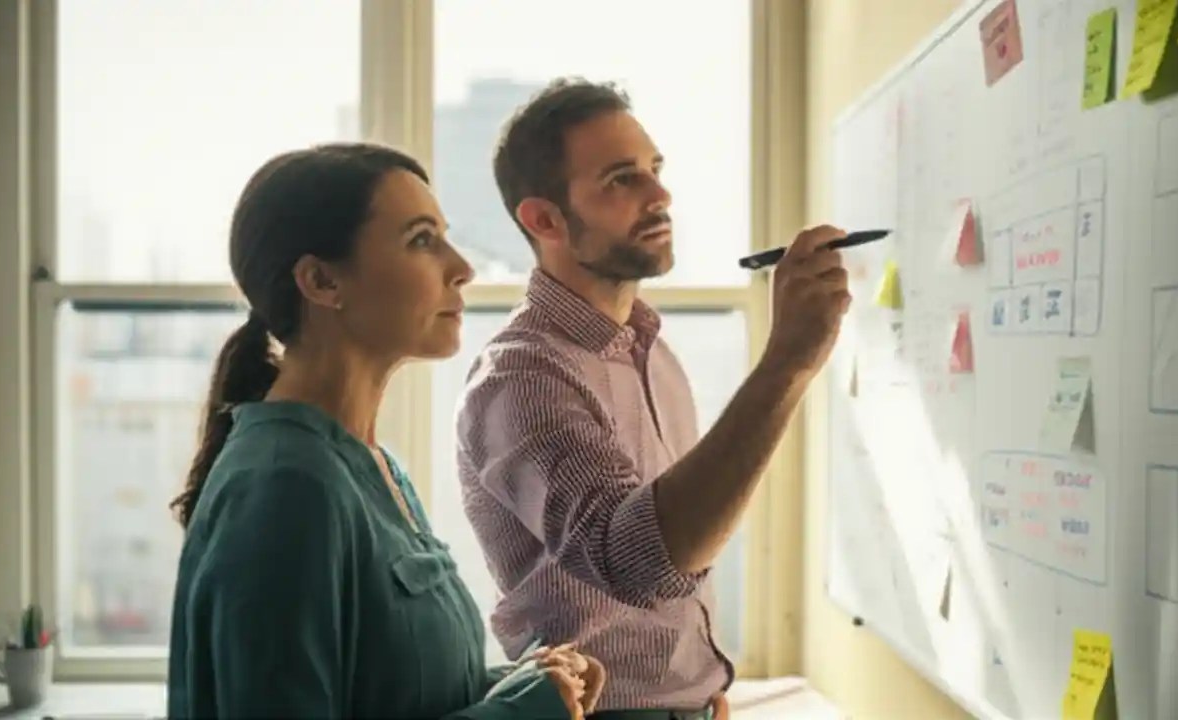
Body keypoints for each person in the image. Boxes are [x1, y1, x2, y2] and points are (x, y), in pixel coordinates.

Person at [455, 78, 851, 719]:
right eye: (620, 179)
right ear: (543, 219)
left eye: (654, 170)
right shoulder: (520, 378)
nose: (660, 195)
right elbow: (642, 562)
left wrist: (697, 691)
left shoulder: (649, 349)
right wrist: (787, 363)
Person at [166, 143, 605, 719]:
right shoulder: (285, 487)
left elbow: (391, 691)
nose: (462, 267)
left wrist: (524, 685)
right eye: (422, 240)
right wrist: (520, 715)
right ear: (322, 281)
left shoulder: (369, 466)